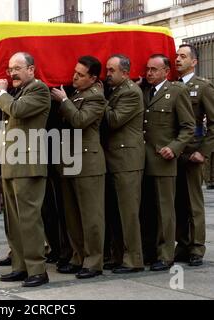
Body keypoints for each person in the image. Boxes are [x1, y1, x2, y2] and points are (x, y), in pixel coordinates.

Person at [0, 52, 51, 287]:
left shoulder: (39, 90)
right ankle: (20, 266)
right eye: (10, 69)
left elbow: (18, 111)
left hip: (28, 164)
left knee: (28, 219)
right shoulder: (17, 93)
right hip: (11, 163)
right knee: (13, 221)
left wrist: (0, 92)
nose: (12, 73)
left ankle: (38, 269)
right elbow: (1, 120)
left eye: (17, 68)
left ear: (31, 69)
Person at [51, 56, 107, 279]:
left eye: (81, 74)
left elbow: (80, 121)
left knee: (91, 216)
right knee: (72, 215)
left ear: (93, 78)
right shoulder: (76, 94)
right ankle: (77, 256)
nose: (75, 76)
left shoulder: (96, 97)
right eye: (75, 72)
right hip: (69, 161)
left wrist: (64, 101)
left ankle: (93, 262)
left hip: (88, 162)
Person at [140, 54, 195, 271]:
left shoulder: (176, 91)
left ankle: (165, 255)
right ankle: (150, 250)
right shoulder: (144, 90)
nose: (149, 73)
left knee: (165, 210)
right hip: (143, 159)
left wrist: (173, 148)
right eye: (148, 69)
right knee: (147, 209)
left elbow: (188, 126)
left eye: (154, 69)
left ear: (166, 71)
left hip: (164, 160)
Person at [102, 54, 145, 273]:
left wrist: (99, 99)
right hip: (115, 160)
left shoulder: (130, 92)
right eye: (107, 70)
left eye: (111, 70)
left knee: (128, 213)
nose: (107, 74)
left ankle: (133, 259)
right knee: (115, 212)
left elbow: (114, 119)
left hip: (127, 160)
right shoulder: (117, 90)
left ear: (125, 73)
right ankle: (117, 255)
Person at [174, 44, 214, 266]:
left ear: (194, 61)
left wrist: (203, 152)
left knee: (193, 202)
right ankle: (182, 244)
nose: (178, 59)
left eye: (183, 56)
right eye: (176, 56)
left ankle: (197, 247)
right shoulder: (172, 86)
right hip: (175, 153)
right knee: (178, 200)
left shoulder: (203, 87)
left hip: (193, 152)